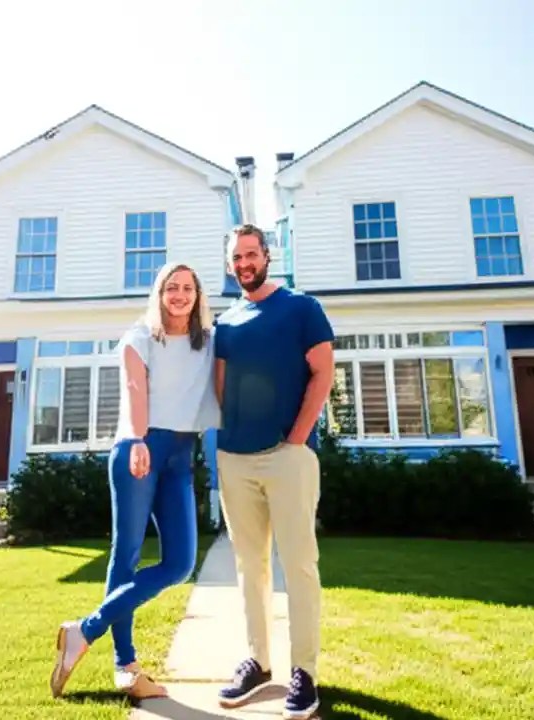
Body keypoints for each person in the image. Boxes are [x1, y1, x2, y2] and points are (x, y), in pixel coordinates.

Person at [50, 262, 220, 701]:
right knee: (125, 555)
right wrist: (139, 438)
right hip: (138, 449)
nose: (180, 295)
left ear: (198, 296)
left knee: (180, 563)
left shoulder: (210, 342)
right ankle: (126, 666)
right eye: (171, 288)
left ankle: (83, 631)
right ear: (160, 294)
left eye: (188, 288)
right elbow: (134, 388)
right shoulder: (140, 336)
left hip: (180, 455)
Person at [213, 223, 334, 719]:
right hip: (234, 458)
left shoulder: (302, 308)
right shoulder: (227, 321)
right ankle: (259, 661)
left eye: (250, 254)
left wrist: (297, 437)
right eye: (235, 258)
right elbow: (220, 385)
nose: (244, 263)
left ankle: (304, 670)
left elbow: (323, 370)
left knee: (299, 565)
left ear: (266, 255)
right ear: (229, 264)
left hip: (288, 456)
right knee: (249, 566)